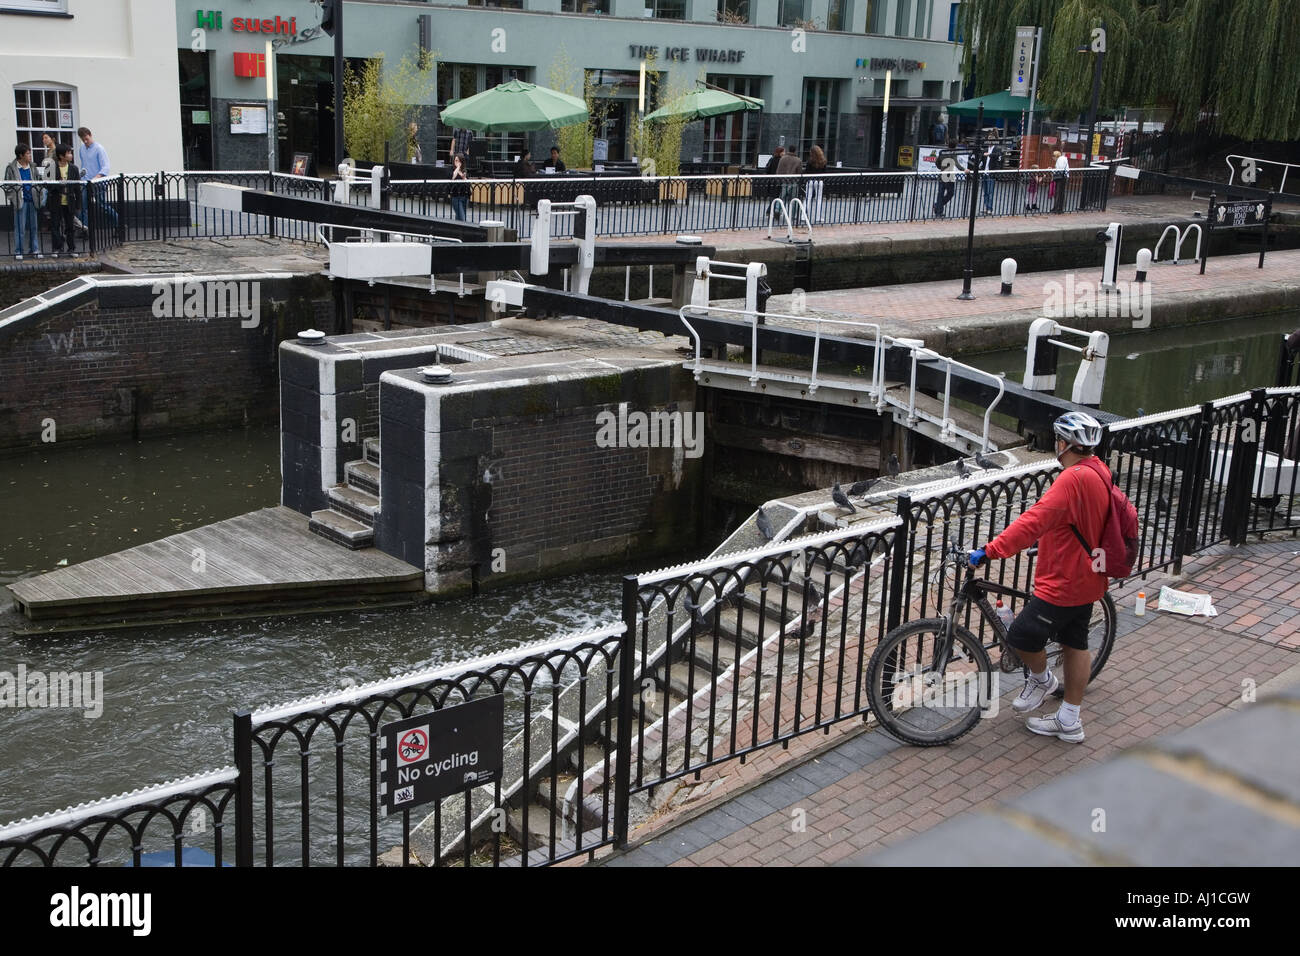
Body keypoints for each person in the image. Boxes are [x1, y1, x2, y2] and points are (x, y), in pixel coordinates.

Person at [968, 412, 1111, 743]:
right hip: (1089, 574)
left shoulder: (1072, 479)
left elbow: (1033, 521)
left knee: (1021, 636)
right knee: (1076, 644)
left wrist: (990, 550)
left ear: (1064, 445)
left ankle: (1043, 680)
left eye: (1057, 441)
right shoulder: (1099, 470)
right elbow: (1075, 519)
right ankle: (1070, 721)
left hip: (1064, 580)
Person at [5, 144, 43, 258]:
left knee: (34, 227)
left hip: (33, 199)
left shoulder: (33, 166)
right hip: (20, 200)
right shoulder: (11, 168)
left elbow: (38, 180)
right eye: (27, 153)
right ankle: (19, 251)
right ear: (21, 155)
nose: (30, 155)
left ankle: (34, 249)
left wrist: (39, 193)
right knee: (20, 227)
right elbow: (7, 185)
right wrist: (13, 198)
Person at [77, 126, 118, 231]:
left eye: (87, 139)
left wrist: (96, 178)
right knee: (84, 208)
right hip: (86, 182)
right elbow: (84, 166)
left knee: (103, 206)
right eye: (83, 140)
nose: (85, 141)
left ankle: (118, 225)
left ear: (90, 135)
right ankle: (85, 230)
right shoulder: (82, 149)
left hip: (98, 183)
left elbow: (106, 167)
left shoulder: (99, 149)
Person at [46, 144, 80, 256]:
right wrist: (58, 184)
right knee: (55, 225)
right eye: (68, 153)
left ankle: (71, 248)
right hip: (56, 200)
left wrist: (78, 204)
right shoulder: (50, 167)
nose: (71, 155)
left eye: (70, 153)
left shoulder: (74, 168)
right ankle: (57, 248)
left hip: (69, 201)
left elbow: (77, 188)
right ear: (61, 156)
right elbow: (46, 184)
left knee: (70, 226)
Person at [932, 139, 964, 217]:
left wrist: (941, 168)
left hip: (942, 174)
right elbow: (956, 163)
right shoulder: (953, 153)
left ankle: (938, 210)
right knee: (950, 193)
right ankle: (937, 206)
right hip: (949, 176)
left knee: (940, 193)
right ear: (955, 146)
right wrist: (964, 169)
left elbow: (937, 162)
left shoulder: (942, 152)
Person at [804, 144, 827, 222]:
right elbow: (824, 172)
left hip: (810, 180)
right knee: (819, 199)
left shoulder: (810, 161)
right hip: (819, 181)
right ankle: (818, 217)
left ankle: (803, 216)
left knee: (807, 198)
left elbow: (806, 172)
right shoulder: (823, 161)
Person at [981, 141, 1003, 213]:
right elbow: (982, 160)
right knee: (985, 192)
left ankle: (989, 208)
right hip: (984, 173)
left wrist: (989, 154)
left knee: (990, 192)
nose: (989, 142)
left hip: (991, 173)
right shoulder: (985, 149)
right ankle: (986, 207)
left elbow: (998, 156)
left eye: (991, 140)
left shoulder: (997, 149)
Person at [449, 151, 469, 221]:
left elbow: (468, 183)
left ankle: (456, 227)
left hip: (464, 196)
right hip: (456, 197)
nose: (457, 162)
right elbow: (452, 177)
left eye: (459, 161)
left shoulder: (464, 170)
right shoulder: (452, 169)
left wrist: (464, 177)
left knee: (459, 217)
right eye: (456, 160)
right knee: (462, 218)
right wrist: (458, 167)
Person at [1051, 149, 1069, 214]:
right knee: (1061, 193)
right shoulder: (1063, 159)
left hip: (1061, 178)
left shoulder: (1060, 160)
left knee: (1058, 193)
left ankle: (1057, 208)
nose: (1053, 158)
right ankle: (1059, 208)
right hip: (1063, 177)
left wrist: (1052, 170)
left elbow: (1060, 169)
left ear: (1055, 156)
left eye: (1053, 157)